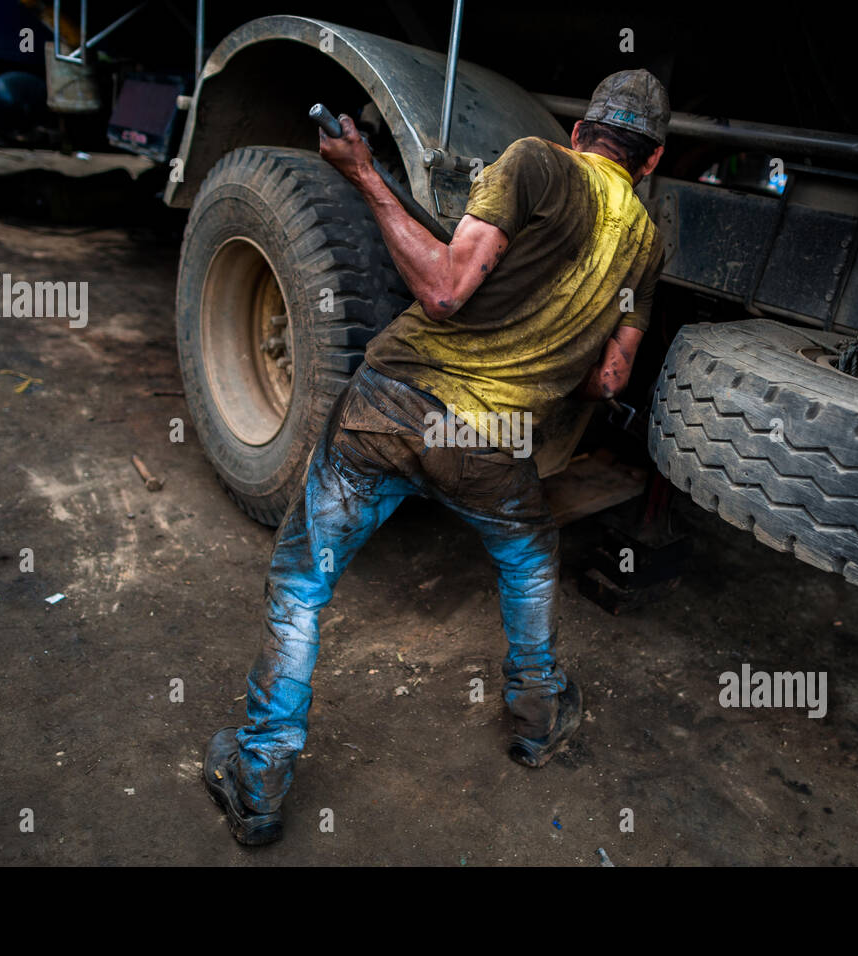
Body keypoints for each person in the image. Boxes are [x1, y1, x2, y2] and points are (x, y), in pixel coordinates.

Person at [204, 69, 670, 846]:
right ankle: (536, 720)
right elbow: (609, 378)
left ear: (581, 132)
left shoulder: (536, 163)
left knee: (303, 582)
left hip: (391, 407)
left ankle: (258, 778)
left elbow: (446, 293)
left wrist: (363, 174)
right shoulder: (644, 249)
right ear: (651, 163)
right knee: (526, 560)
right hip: (493, 445)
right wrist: (544, 357)